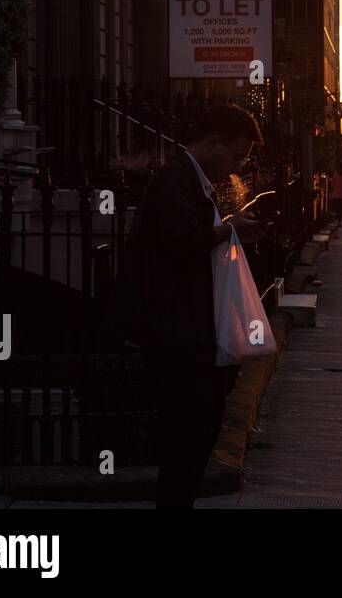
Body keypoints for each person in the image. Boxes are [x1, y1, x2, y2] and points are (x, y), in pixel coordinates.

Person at [125, 103, 267, 509]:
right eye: (236, 155)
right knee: (190, 435)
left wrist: (232, 232)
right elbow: (179, 243)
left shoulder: (190, 180)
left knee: (197, 435)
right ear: (212, 142)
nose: (238, 165)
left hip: (186, 330)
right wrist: (228, 230)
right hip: (176, 334)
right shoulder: (176, 180)